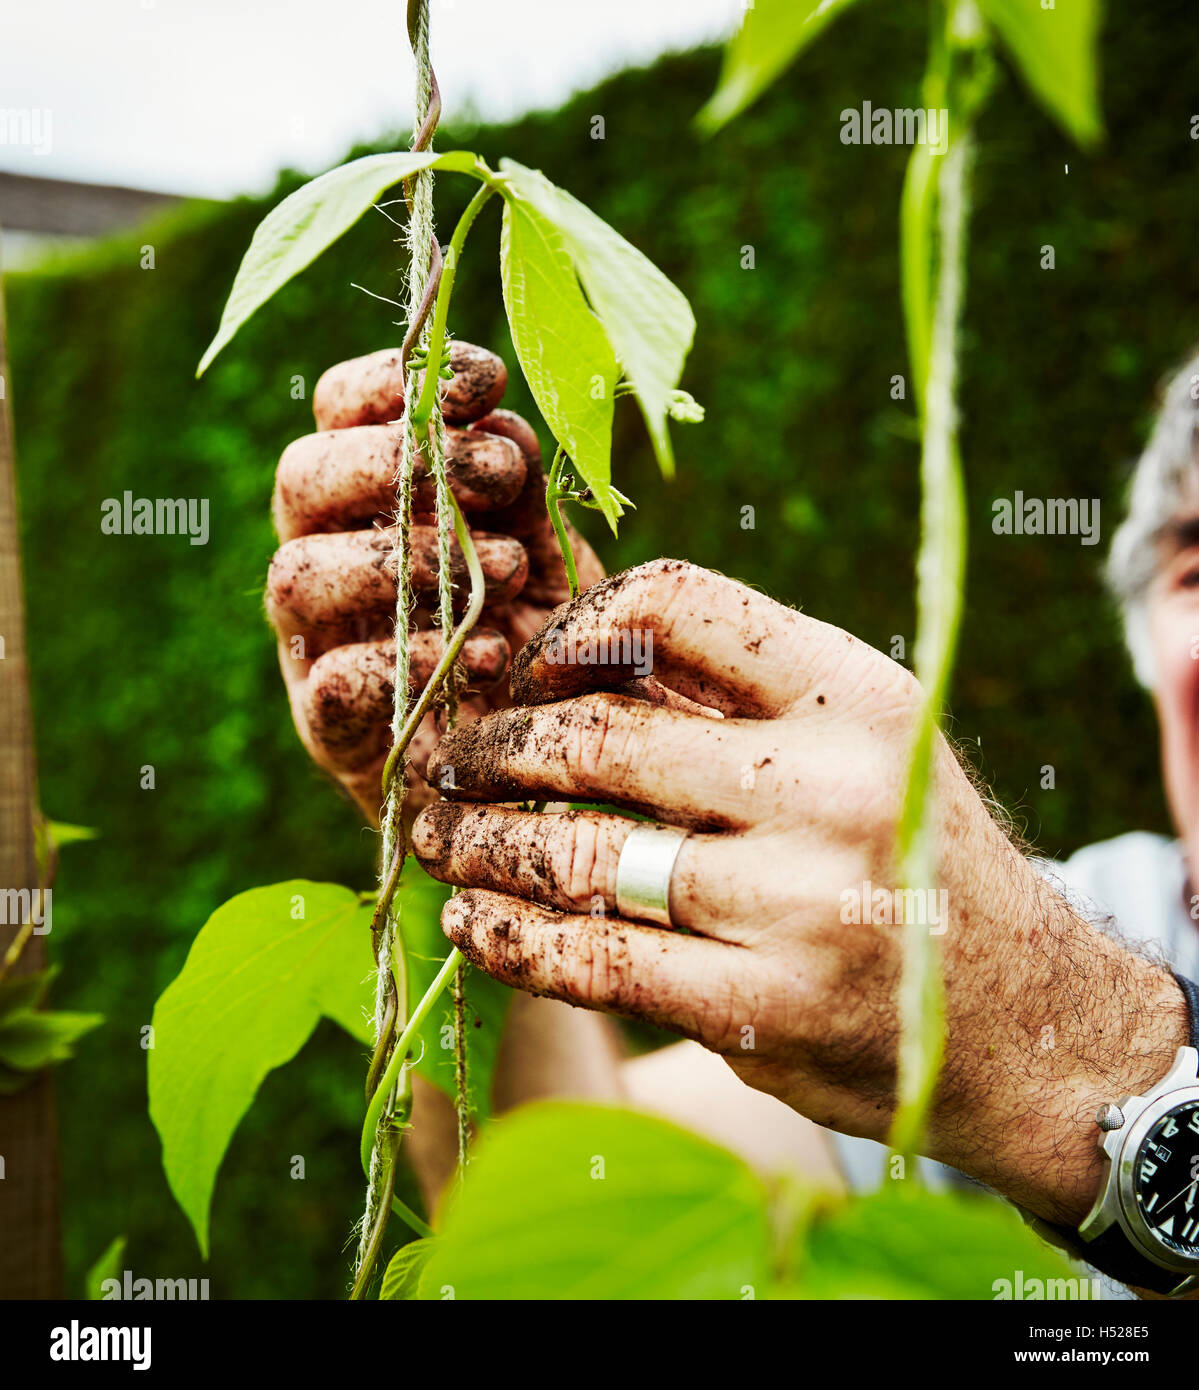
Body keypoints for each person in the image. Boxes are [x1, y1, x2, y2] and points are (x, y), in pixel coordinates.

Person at [265, 341, 1199, 1295]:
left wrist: (1096, 1062)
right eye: (1196, 570)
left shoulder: (1038, 963)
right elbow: (583, 1249)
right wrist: (466, 828)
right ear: (1141, 637)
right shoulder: (1095, 909)